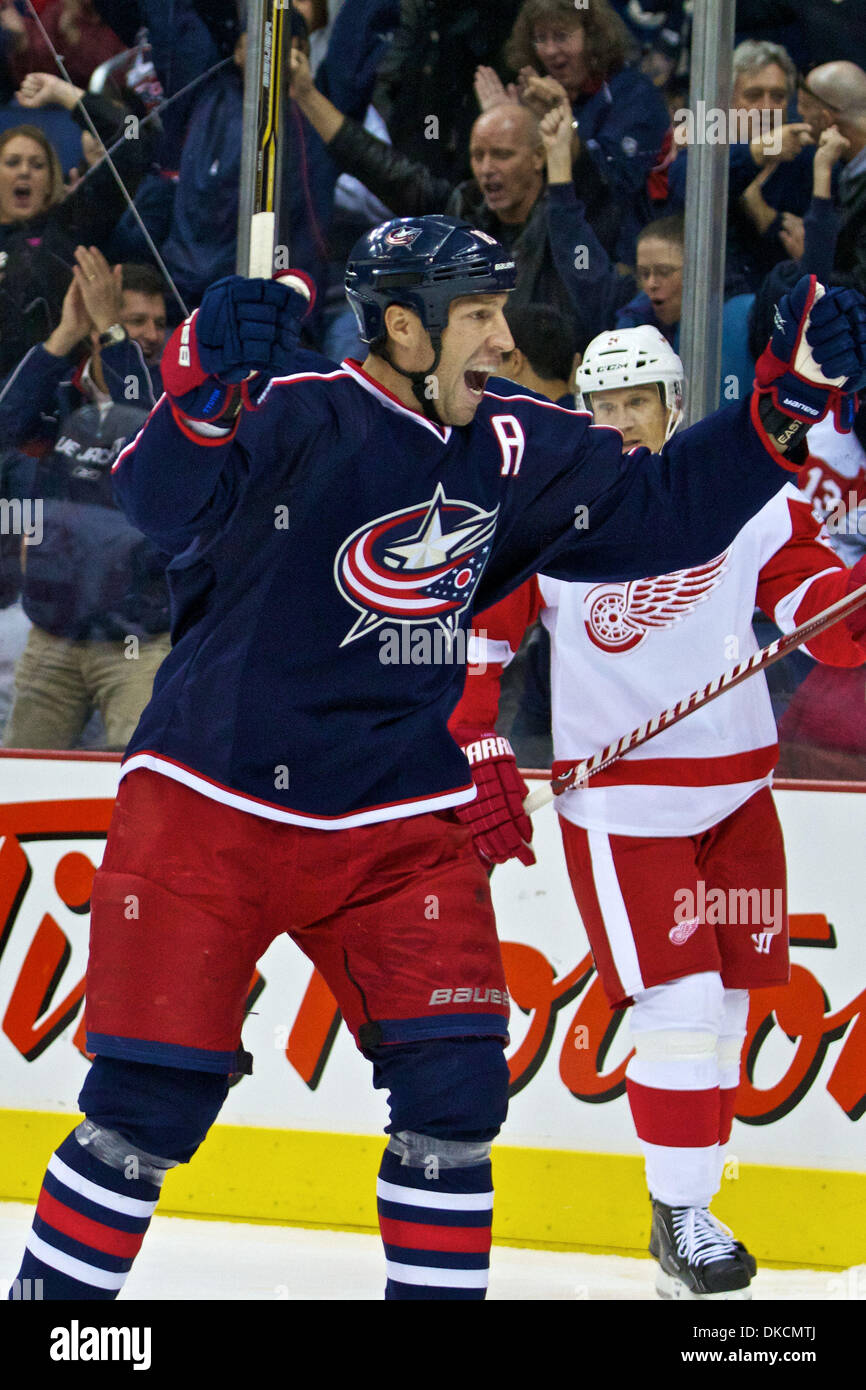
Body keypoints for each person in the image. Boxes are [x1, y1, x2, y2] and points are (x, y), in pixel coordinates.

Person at [7, 215, 865, 1303]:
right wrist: (201, 387)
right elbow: (159, 501)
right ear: (401, 325)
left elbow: (658, 513)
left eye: (500, 313)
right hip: (213, 797)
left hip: (393, 814)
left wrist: (778, 408)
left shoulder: (516, 441)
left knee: (456, 1091)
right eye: (475, 317)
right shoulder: (295, 410)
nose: (502, 342)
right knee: (147, 1104)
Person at [447, 324, 866, 1298]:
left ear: (671, 405)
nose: (617, 422)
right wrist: (476, 737)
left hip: (738, 797)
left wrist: (845, 608)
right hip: (626, 808)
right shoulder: (553, 510)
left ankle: (690, 1209)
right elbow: (484, 631)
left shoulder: (739, 493)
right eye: (601, 405)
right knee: (675, 1007)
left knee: (721, 1012)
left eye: (635, 401)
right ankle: (678, 1213)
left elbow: (809, 601)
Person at [0, 246, 171, 750]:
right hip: (53, 635)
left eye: (157, 322)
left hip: (138, 641)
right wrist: (65, 336)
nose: (150, 334)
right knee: (22, 785)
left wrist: (115, 337)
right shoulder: (56, 398)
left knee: (139, 786)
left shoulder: (176, 401)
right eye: (135, 320)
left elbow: (142, 437)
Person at [0, 70, 156, 378]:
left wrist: (64, 92)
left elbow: (133, 138)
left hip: (57, 401)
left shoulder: (70, 224)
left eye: (37, 164)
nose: (25, 173)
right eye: (12, 162)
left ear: (50, 181)